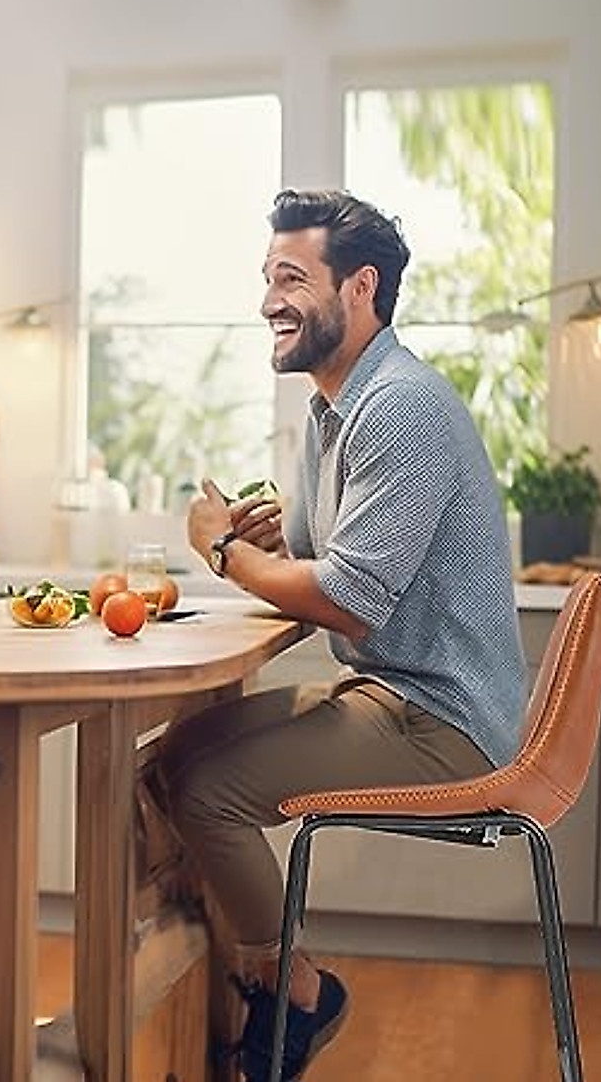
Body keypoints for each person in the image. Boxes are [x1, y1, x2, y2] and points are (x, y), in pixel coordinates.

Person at [159, 188, 526, 1081]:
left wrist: (222, 553)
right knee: (168, 760)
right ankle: (202, 989)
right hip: (390, 694)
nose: (268, 301)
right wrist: (264, 548)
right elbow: (318, 570)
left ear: (360, 288)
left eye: (292, 278)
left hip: (443, 722)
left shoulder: (401, 406)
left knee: (206, 791)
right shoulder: (332, 412)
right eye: (267, 277)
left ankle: (294, 991)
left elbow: (349, 600)